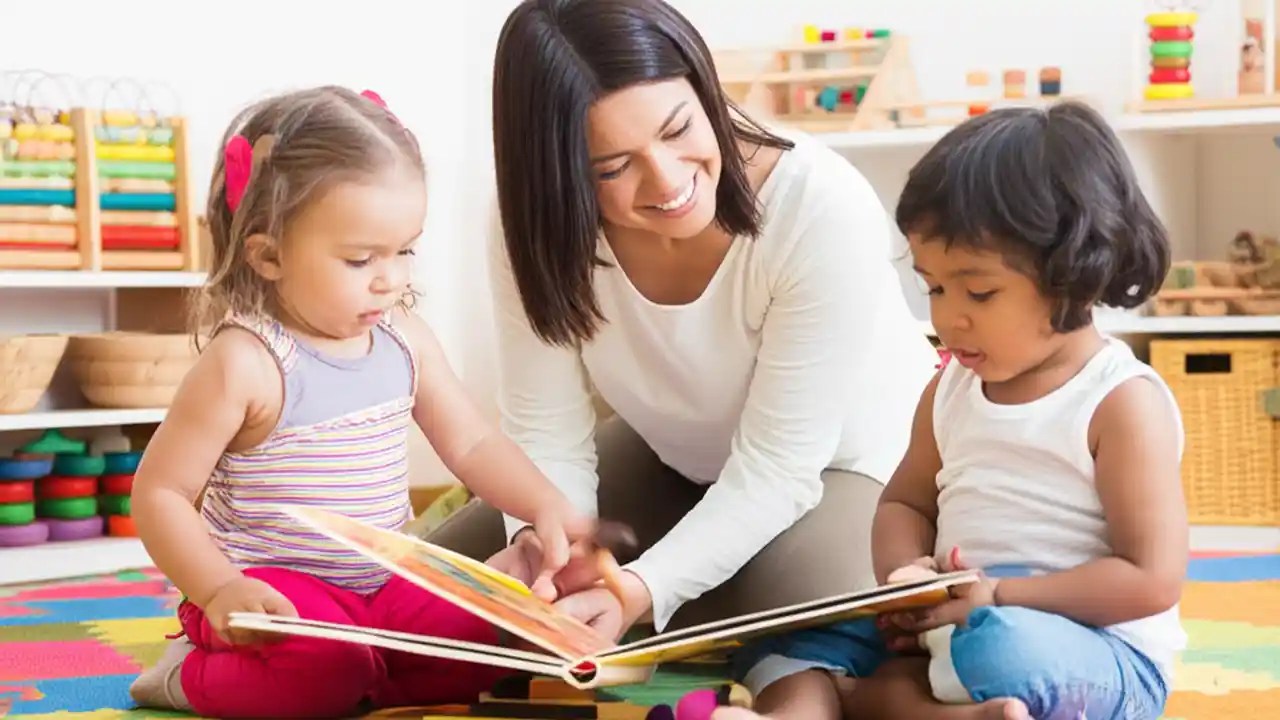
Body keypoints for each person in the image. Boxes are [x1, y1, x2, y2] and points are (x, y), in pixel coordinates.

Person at [426, 0, 939, 681]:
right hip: (679, 458)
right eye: (612, 167)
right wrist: (548, 546)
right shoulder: (534, 225)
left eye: (678, 129)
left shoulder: (819, 204)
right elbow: (545, 424)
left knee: (794, 604)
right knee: (440, 593)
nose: (668, 181)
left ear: (704, 86)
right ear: (559, 174)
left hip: (854, 466)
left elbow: (779, 469)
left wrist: (635, 589)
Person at [127, 86, 594, 719]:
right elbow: (160, 494)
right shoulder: (246, 362)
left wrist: (543, 504)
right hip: (271, 593)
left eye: (405, 250)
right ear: (268, 255)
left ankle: (368, 678)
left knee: (486, 640)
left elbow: (472, 443)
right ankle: (184, 676)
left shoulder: (405, 340)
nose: (391, 278)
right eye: (360, 258)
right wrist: (218, 589)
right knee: (325, 666)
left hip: (381, 583)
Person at [717, 102, 1188, 719]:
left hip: (1090, 652)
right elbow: (904, 503)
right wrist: (905, 577)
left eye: (979, 291)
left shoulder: (1121, 403)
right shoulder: (949, 390)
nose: (946, 318)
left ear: (1074, 272)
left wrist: (999, 596)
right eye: (933, 287)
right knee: (786, 639)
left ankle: (870, 702)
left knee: (999, 647)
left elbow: (1150, 580)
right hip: (949, 623)